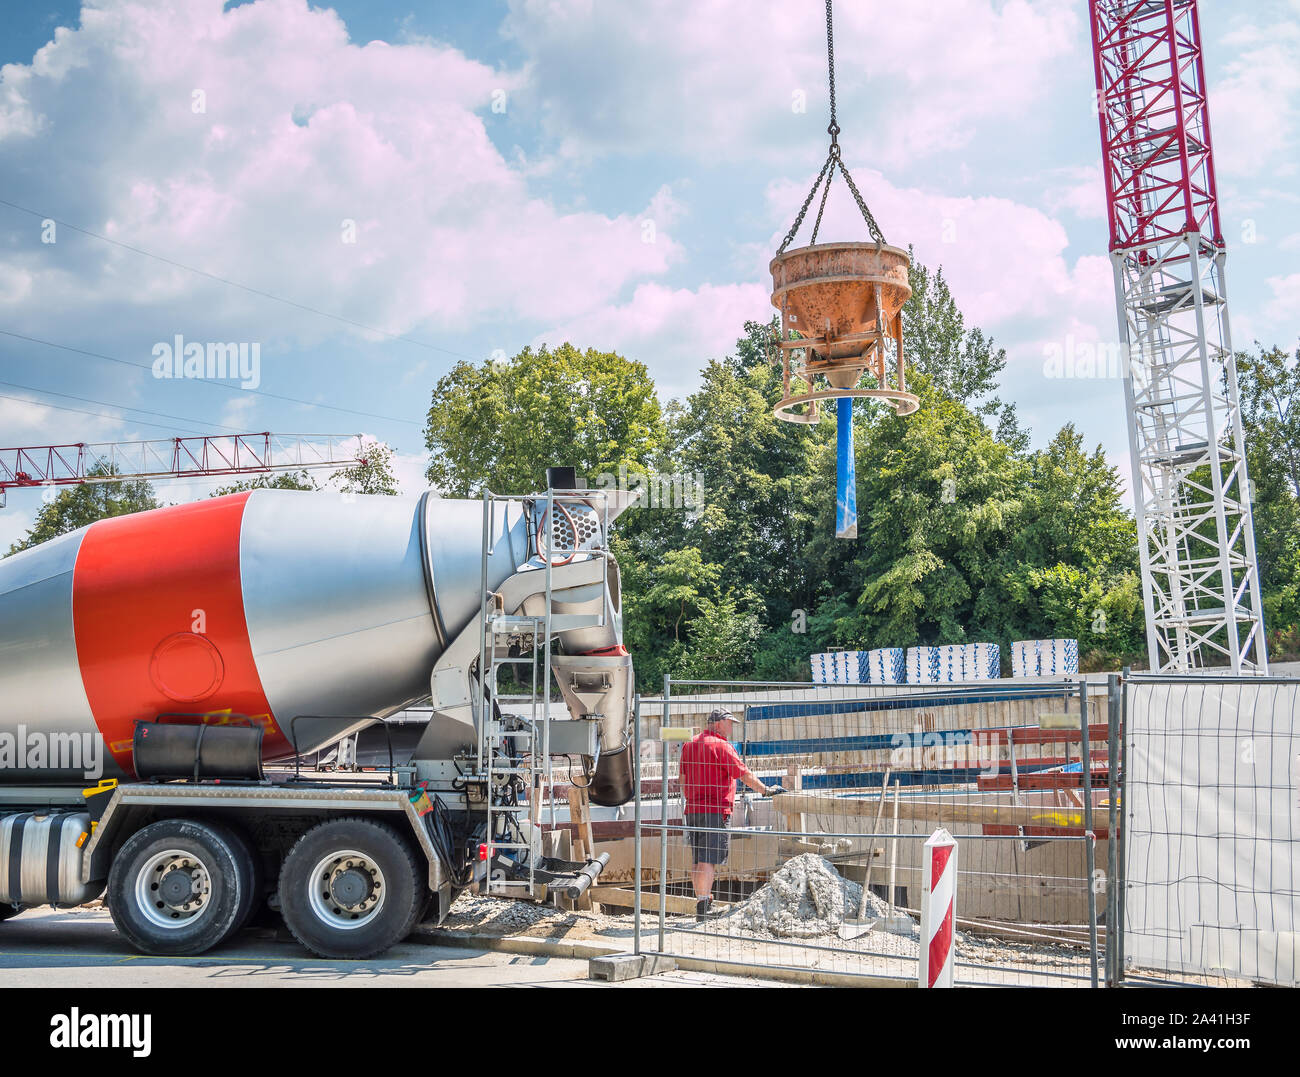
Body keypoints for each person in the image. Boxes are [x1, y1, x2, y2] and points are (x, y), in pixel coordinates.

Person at [678, 708, 782, 919]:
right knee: (708, 860)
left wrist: (693, 796)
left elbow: (682, 778)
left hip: (693, 809)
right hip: (715, 810)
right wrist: (766, 790)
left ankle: (701, 901)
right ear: (718, 724)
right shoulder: (721, 746)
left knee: (698, 859)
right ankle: (705, 909)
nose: (732, 727)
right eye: (730, 723)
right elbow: (743, 774)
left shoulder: (690, 744)